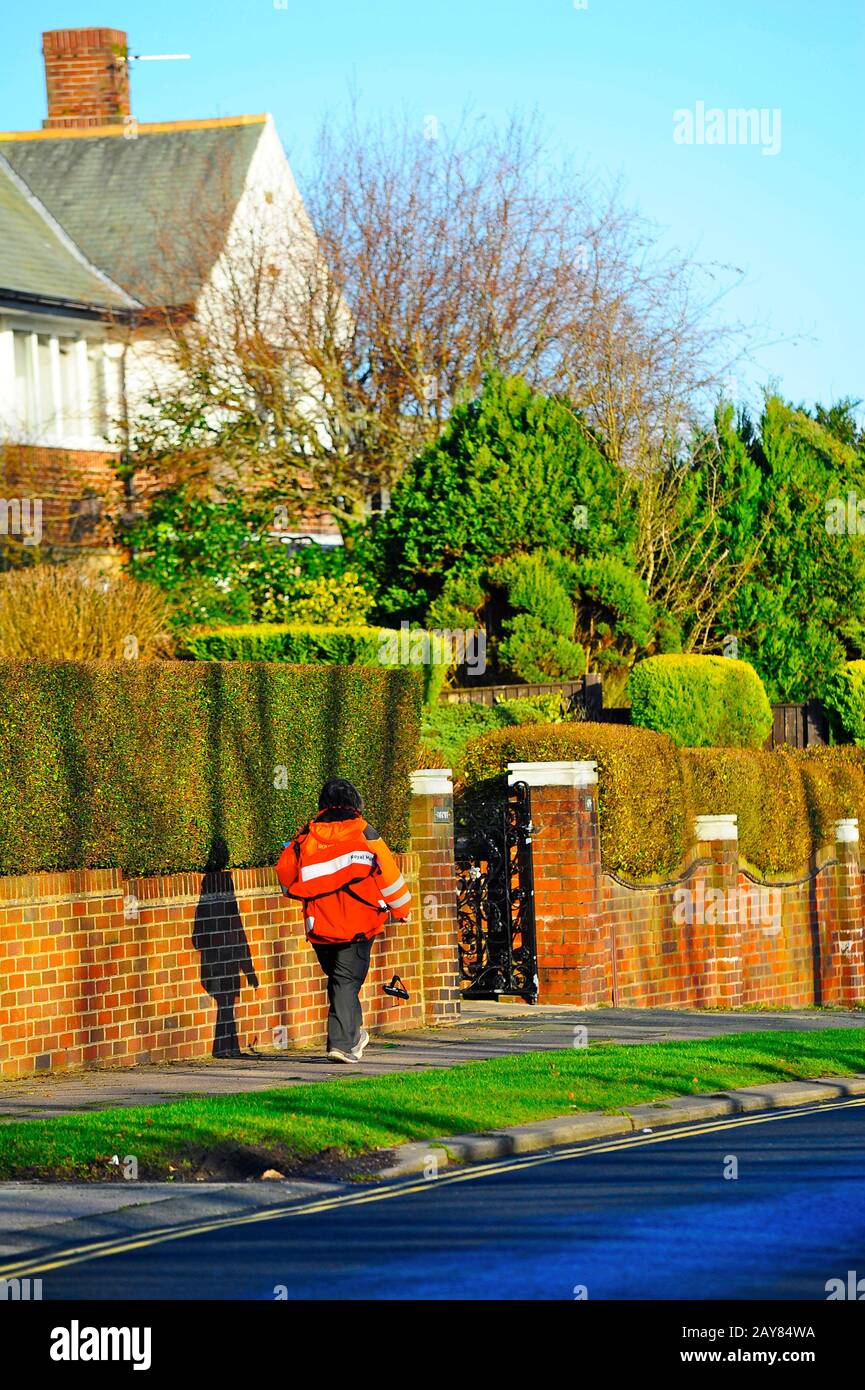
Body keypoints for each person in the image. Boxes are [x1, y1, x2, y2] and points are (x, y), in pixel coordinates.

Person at [276, 777, 412, 1064]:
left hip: (321, 925)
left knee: (341, 981)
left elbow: (287, 880)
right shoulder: (366, 833)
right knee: (345, 981)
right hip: (360, 923)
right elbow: (389, 875)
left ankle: (353, 1034)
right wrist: (401, 909)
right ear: (356, 803)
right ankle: (341, 1044)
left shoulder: (305, 837)